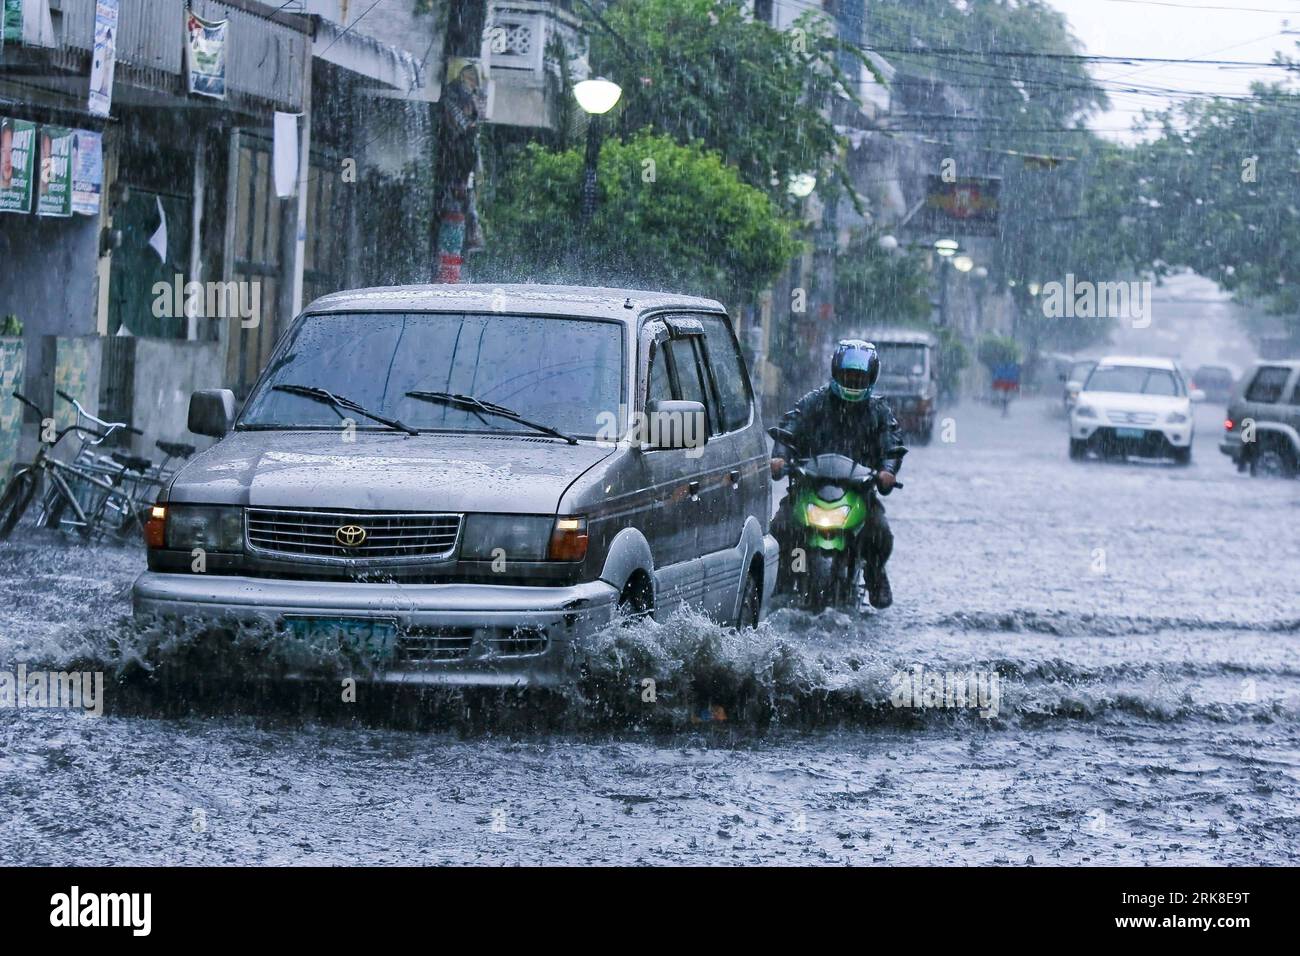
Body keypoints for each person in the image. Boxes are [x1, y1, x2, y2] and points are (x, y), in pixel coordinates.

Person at [770, 339, 907, 609]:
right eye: (848, 376)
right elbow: (787, 429)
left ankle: (875, 574)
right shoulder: (813, 402)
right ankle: (784, 577)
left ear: (870, 378)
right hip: (809, 488)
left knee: (880, 532)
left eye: (859, 377)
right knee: (781, 526)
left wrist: (887, 472)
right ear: (835, 372)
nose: (853, 382)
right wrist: (779, 458)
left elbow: (892, 444)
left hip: (858, 494)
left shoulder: (879, 411)